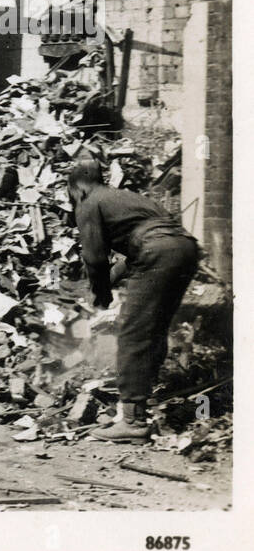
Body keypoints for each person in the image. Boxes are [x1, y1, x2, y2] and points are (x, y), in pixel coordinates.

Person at [67, 158, 199, 442]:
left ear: (77, 187)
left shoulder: (88, 202)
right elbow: (139, 249)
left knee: (132, 332)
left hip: (158, 251)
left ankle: (133, 421)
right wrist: (107, 283)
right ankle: (145, 395)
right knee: (153, 328)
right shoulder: (126, 198)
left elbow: (94, 258)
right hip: (185, 249)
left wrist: (100, 294)